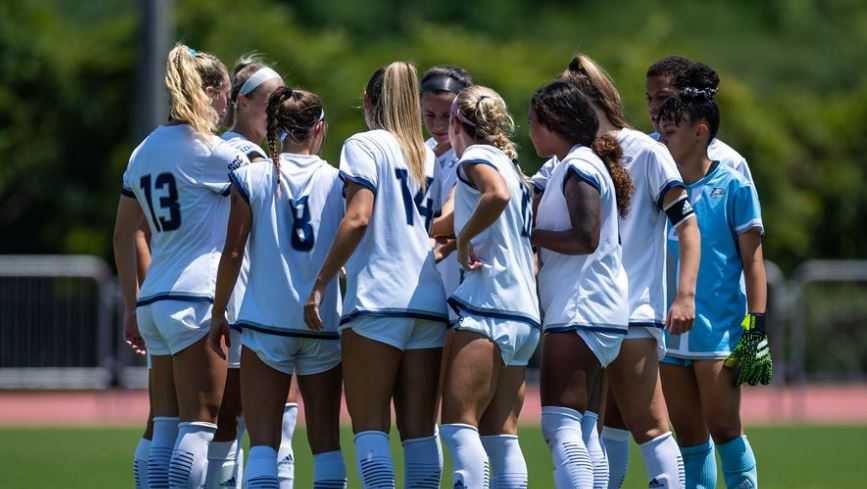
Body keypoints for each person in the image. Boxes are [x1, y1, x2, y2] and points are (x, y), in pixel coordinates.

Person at [555, 54, 700, 489]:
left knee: (650, 427)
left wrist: (685, 294)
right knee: (593, 430)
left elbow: (688, 227)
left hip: (630, 312)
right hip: (590, 314)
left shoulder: (647, 151)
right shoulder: (572, 158)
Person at [305, 62, 448, 489]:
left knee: (370, 430)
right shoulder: (427, 154)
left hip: (376, 302)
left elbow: (358, 216)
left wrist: (320, 281)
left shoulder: (363, 144)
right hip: (428, 299)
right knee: (421, 434)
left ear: (368, 103)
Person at [114, 43, 248, 489]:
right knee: (200, 423)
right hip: (197, 298)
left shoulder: (143, 151)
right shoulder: (215, 152)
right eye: (225, 93)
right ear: (208, 91)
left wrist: (132, 307)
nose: (228, 104)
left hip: (155, 301)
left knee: (163, 426)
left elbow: (125, 234)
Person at [209, 86, 347, 489]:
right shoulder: (338, 180)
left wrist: (218, 313)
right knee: (326, 446)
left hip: (265, 326)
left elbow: (233, 252)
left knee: (264, 445)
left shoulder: (251, 176)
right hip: (322, 323)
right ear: (319, 128)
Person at [658, 62, 772, 489]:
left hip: (718, 331)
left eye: (674, 127)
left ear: (701, 131)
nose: (665, 134)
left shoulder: (733, 185)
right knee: (689, 439)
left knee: (725, 430)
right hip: (668, 334)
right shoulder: (661, 187)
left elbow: (754, 262)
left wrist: (755, 331)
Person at [528, 79, 634, 489]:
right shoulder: (573, 165)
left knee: (561, 425)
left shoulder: (579, 166)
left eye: (535, 122)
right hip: (599, 310)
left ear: (553, 123)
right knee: (587, 429)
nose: (531, 131)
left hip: (579, 308)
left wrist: (534, 235)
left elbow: (585, 236)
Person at [438, 85, 539, 489]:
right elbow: (465, 215)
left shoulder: (476, 156)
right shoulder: (511, 165)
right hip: (524, 316)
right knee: (502, 434)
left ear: (457, 123)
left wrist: (462, 242)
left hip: (487, 307)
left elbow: (493, 197)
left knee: (458, 424)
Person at [208, 54, 294, 489]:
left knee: (238, 429)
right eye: (269, 103)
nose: (278, 113)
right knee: (258, 426)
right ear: (240, 102)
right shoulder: (246, 157)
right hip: (249, 306)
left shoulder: (225, 151)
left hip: (245, 302)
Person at [646, 56, 754, 185]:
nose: (653, 108)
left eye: (662, 97)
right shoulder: (643, 151)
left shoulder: (730, 161)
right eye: (649, 99)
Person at [420, 65, 473, 304]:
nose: (439, 125)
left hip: (457, 272)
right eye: (429, 115)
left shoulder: (471, 157)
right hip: (420, 269)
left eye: (447, 117)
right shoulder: (419, 152)